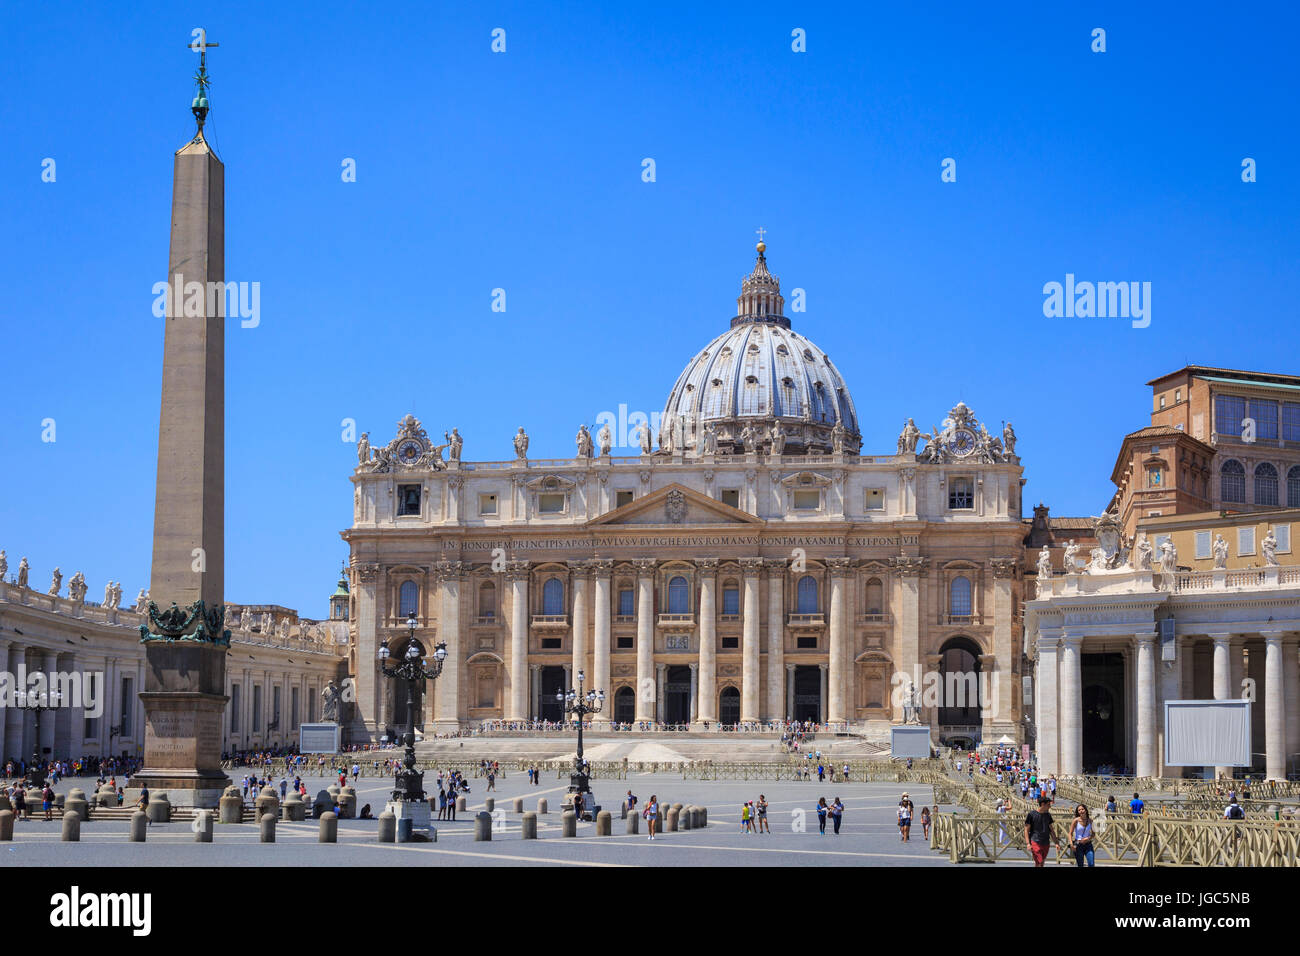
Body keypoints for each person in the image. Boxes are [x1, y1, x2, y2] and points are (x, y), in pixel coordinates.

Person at [1024, 795, 1056, 867]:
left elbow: (1051, 830)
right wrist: (1028, 843)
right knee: (1039, 861)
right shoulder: (1031, 814)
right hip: (1035, 841)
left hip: (1046, 842)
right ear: (1042, 804)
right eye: (1048, 805)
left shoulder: (1048, 815)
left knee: (1041, 863)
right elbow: (1026, 830)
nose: (1050, 806)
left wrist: (1056, 842)